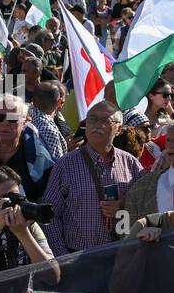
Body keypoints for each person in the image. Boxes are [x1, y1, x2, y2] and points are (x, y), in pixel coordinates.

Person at [41, 101, 144, 254]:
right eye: (92, 119)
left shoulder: (131, 164)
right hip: (78, 259)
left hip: (122, 257)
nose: (97, 125)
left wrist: (125, 204)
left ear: (119, 129)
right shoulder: (65, 165)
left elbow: (148, 206)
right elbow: (50, 215)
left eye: (104, 120)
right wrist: (63, 258)